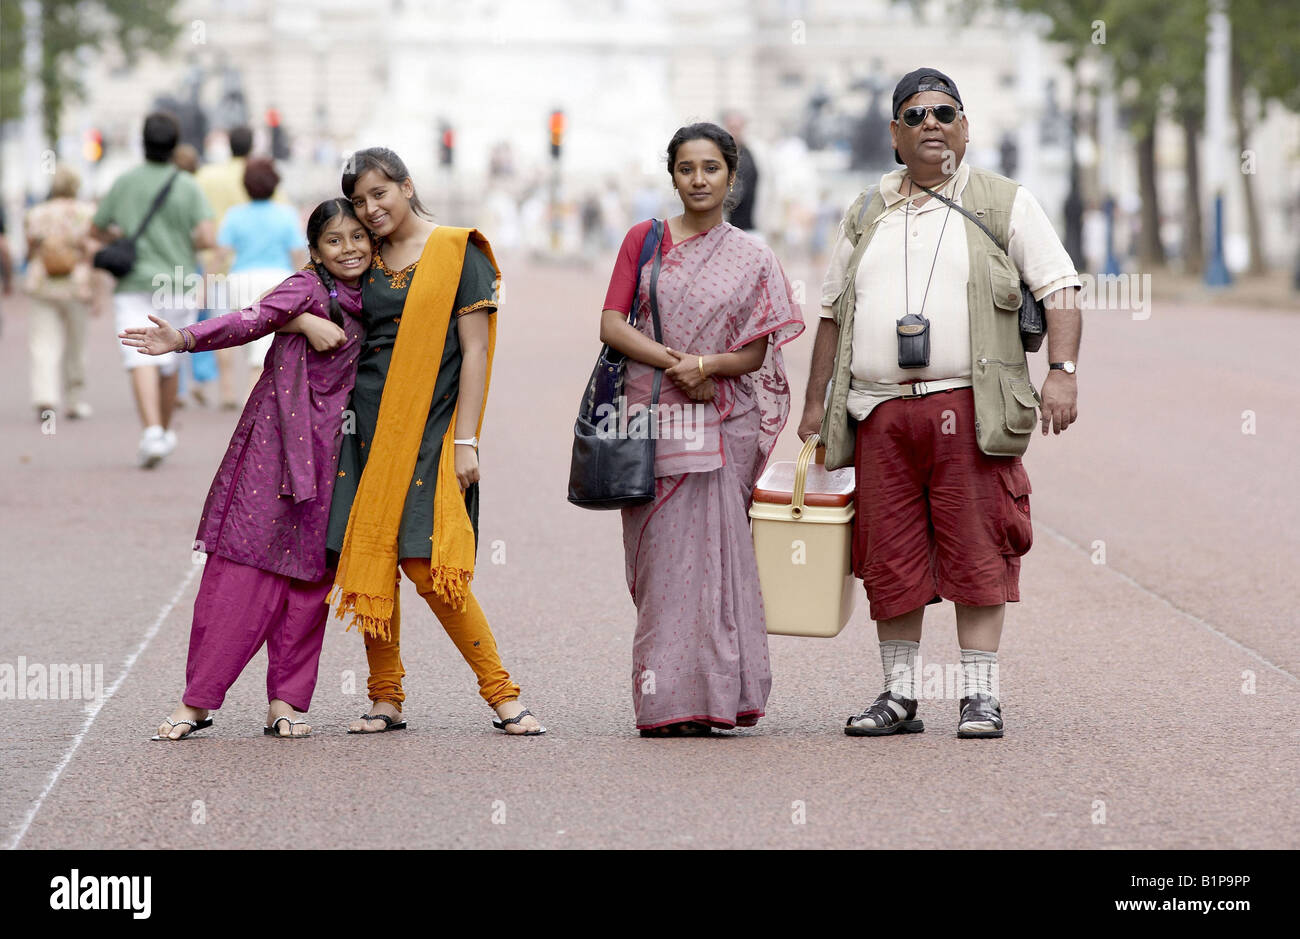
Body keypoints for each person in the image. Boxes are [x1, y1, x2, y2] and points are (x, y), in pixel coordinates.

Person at [797, 68, 1083, 739]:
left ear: (965, 126)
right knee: (886, 554)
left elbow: (1061, 287)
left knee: (980, 548)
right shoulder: (865, 210)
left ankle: (979, 695)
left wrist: (1062, 372)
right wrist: (815, 407)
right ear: (896, 135)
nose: (932, 123)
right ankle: (899, 696)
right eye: (916, 115)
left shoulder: (1002, 201)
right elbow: (833, 314)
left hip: (970, 407)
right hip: (878, 412)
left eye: (945, 112)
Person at [315, 147, 546, 736]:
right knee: (370, 556)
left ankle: (503, 694)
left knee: (428, 563)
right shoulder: (362, 254)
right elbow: (305, 302)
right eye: (360, 201)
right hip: (364, 425)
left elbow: (475, 350)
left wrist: (467, 438)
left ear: (406, 185)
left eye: (379, 194)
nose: (369, 210)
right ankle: (385, 698)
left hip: (435, 426)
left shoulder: (456, 251)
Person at [121, 199, 370, 739]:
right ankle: (198, 701)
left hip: (336, 452)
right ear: (315, 252)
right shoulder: (304, 289)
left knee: (311, 574)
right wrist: (184, 339)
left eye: (358, 237)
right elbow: (252, 319)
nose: (348, 248)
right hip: (276, 444)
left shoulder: (376, 293)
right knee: (242, 566)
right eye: (334, 241)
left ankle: (286, 703)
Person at [598, 123, 804, 736]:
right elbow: (611, 323)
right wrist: (677, 365)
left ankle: (717, 698)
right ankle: (665, 703)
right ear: (673, 176)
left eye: (711, 168)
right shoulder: (646, 240)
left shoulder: (754, 256)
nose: (698, 179)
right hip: (655, 413)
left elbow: (757, 352)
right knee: (664, 560)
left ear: (731, 177)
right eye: (686, 169)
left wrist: (708, 366)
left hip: (721, 415)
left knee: (718, 558)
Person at [91, 111, 215, 468]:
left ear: (142, 143)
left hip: (133, 282)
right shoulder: (188, 185)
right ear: (174, 146)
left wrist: (122, 237)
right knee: (170, 357)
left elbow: (96, 228)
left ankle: (152, 432)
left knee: (138, 356)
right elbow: (207, 238)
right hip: (177, 282)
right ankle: (161, 429)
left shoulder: (124, 182)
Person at [216, 157, 304, 394]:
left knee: (228, 329)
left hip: (239, 280)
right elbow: (297, 253)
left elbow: (221, 253)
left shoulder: (234, 215)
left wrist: (206, 284)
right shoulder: (286, 214)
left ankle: (226, 388)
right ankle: (250, 398)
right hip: (275, 280)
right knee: (262, 346)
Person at [23, 166, 101, 420]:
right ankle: (74, 399)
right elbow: (92, 251)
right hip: (75, 284)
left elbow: (29, 250)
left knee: (43, 342)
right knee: (76, 343)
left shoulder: (36, 213)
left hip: (42, 282)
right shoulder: (86, 213)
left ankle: (45, 396)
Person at [195, 125, 258, 410]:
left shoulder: (207, 175)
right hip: (254, 263)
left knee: (223, 327)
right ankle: (249, 388)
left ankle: (227, 389)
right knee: (257, 329)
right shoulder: (259, 173)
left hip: (217, 263)